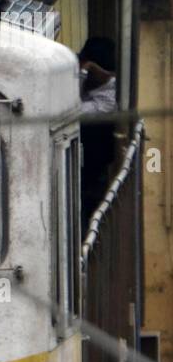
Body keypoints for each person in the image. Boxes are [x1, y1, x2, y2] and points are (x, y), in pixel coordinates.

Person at [78, 36, 117, 225]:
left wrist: (83, 75)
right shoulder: (97, 88)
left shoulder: (108, 101)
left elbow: (70, 111)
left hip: (91, 179)